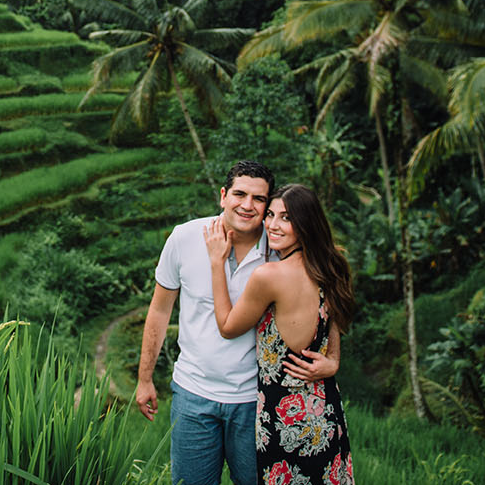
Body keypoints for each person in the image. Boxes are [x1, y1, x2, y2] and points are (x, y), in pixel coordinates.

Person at [136, 163, 340, 485]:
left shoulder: (280, 248)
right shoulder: (185, 237)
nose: (247, 205)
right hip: (193, 394)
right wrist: (145, 377)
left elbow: (326, 299)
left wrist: (333, 360)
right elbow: (160, 310)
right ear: (223, 196)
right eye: (239, 194)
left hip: (254, 401)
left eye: (258, 199)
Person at [205, 184, 355, 485]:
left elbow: (228, 326)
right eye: (270, 214)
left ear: (305, 223)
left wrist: (216, 262)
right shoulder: (330, 266)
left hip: (286, 419)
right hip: (325, 410)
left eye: (285, 218)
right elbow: (333, 324)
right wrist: (334, 361)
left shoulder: (269, 276)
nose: (272, 225)